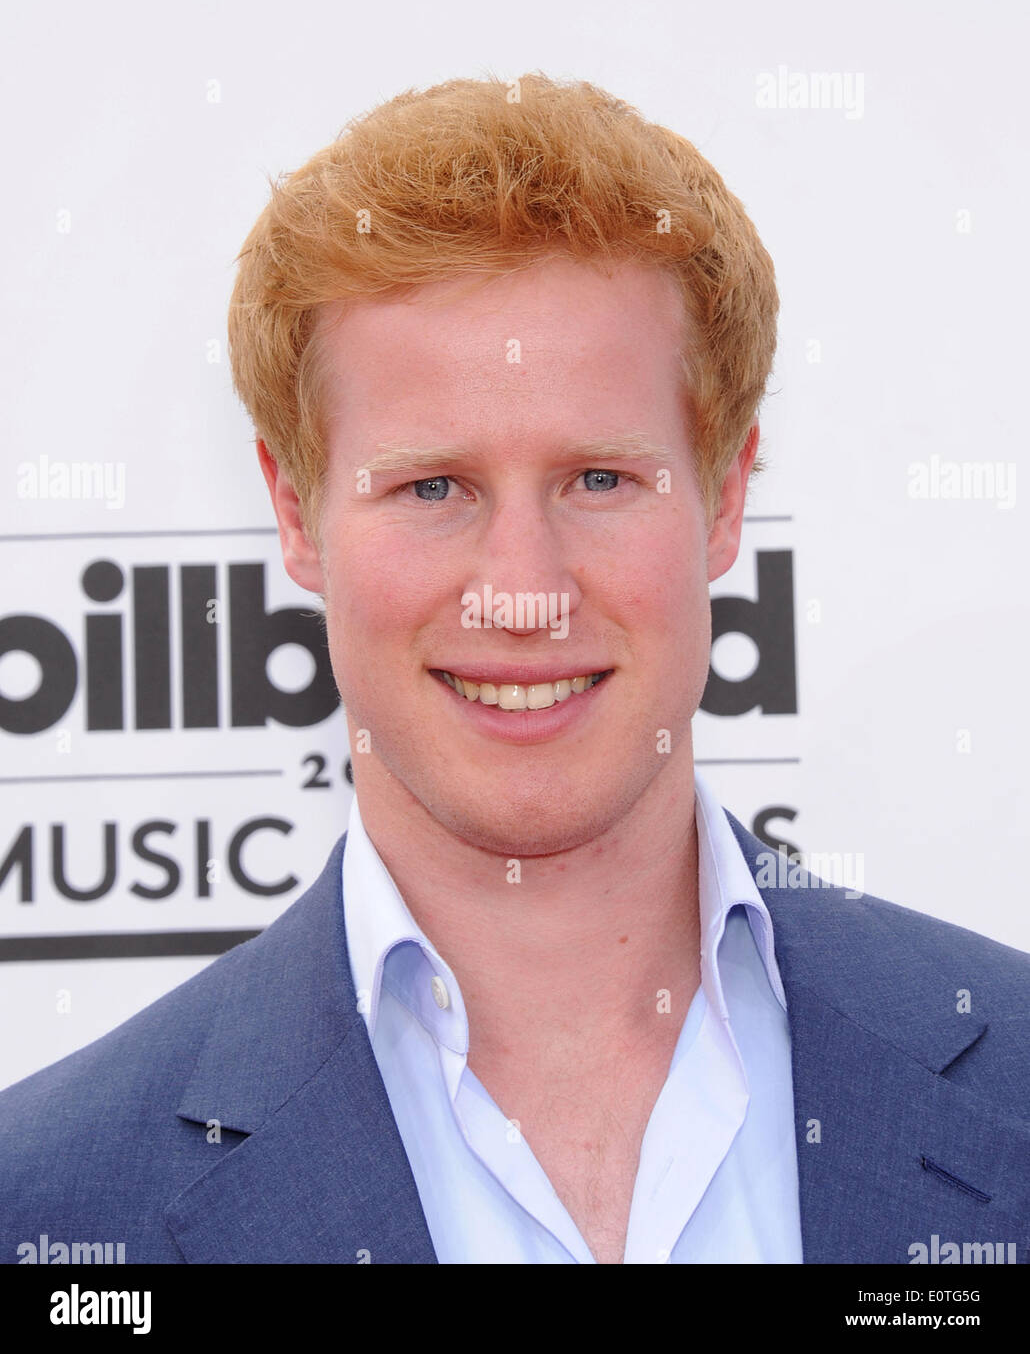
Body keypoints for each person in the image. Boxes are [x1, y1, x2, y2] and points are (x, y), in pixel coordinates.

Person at [1, 73, 1027, 1265]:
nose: (523, 590)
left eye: (598, 479)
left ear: (725, 497)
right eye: (433, 487)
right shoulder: (54, 1208)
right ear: (294, 512)